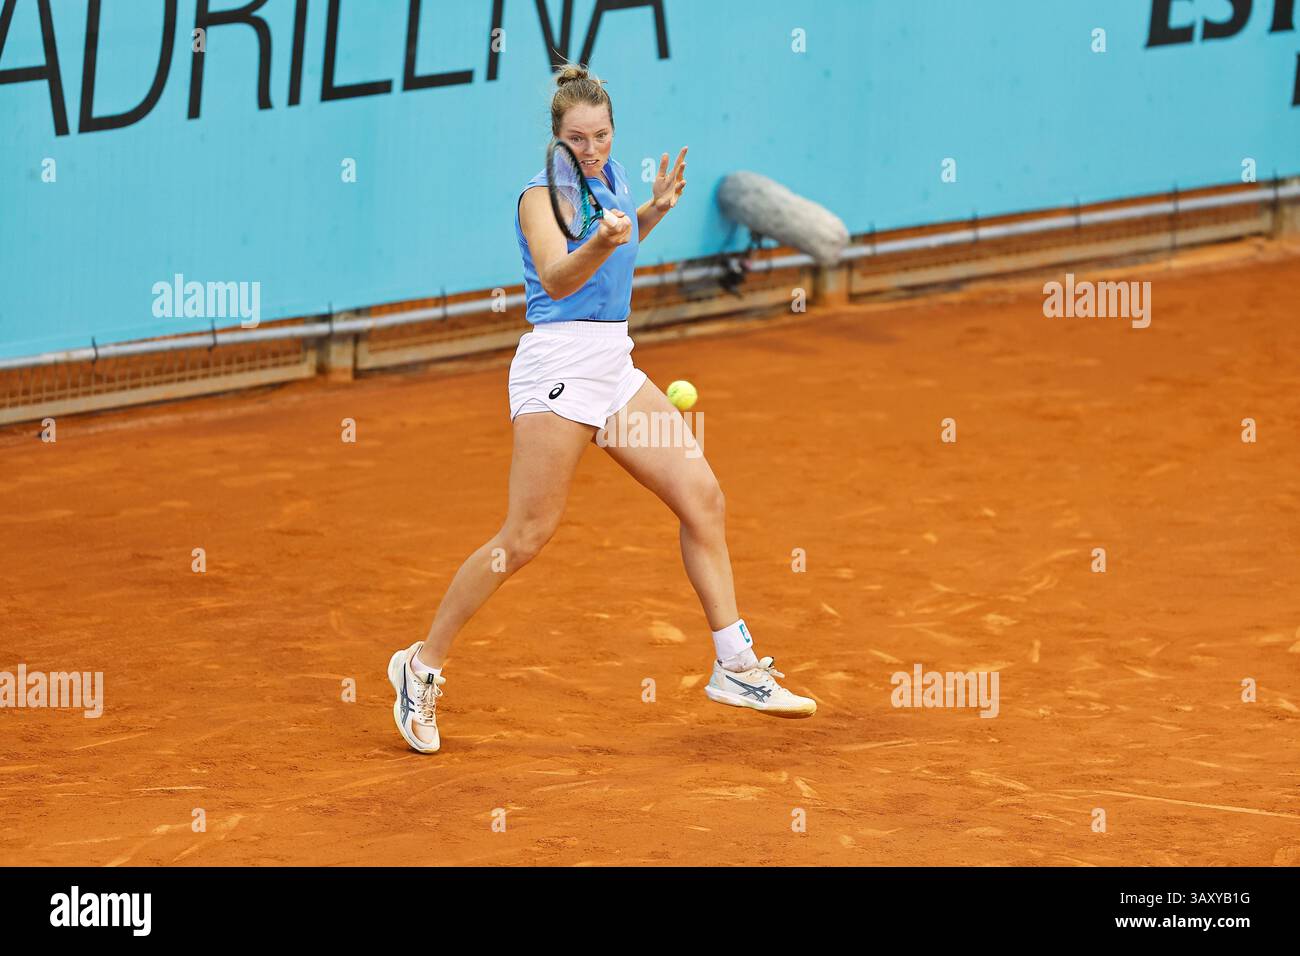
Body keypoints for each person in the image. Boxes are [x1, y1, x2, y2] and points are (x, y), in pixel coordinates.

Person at [388, 64, 815, 754]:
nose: (592, 149)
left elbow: (617, 242)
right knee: (525, 538)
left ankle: (734, 664)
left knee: (702, 496)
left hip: (612, 365)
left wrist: (650, 213)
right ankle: (421, 665)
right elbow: (559, 278)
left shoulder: (611, 178)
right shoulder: (537, 199)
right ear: (556, 139)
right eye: (578, 139)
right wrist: (604, 239)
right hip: (557, 368)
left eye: (603, 135)